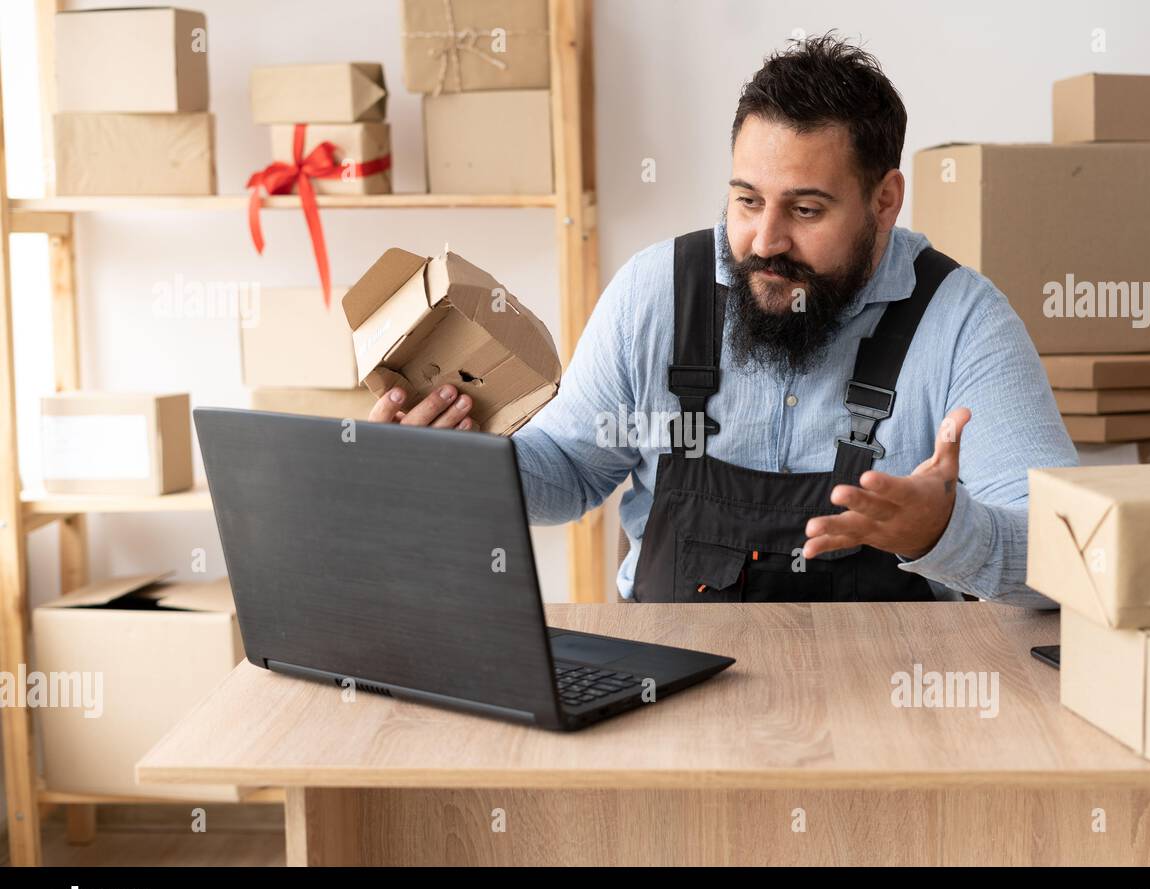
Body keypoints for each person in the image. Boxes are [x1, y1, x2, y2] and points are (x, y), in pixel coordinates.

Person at [369, 34, 1076, 606]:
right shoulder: (657, 293)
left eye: (805, 210)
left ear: (885, 200)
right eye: (746, 201)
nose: (765, 241)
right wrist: (462, 467)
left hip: (889, 715)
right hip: (667, 703)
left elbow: (1063, 560)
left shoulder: (962, 323)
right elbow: (567, 471)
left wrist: (946, 533)